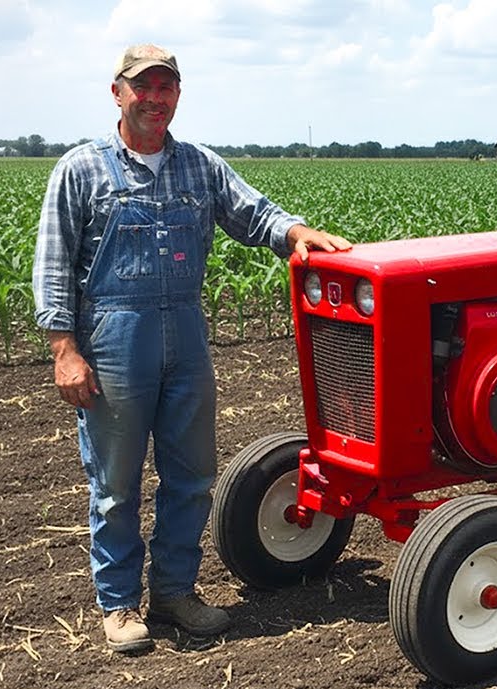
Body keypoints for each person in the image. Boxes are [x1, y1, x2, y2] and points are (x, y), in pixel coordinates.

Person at [32, 43, 350, 654]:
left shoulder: (199, 165)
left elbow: (252, 214)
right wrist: (63, 350)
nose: (154, 98)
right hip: (114, 338)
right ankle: (119, 603)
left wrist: (296, 232)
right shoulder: (81, 169)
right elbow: (51, 267)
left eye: (166, 87)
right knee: (117, 483)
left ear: (177, 94)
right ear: (117, 92)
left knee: (193, 475)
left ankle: (175, 593)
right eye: (142, 87)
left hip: (185, 331)